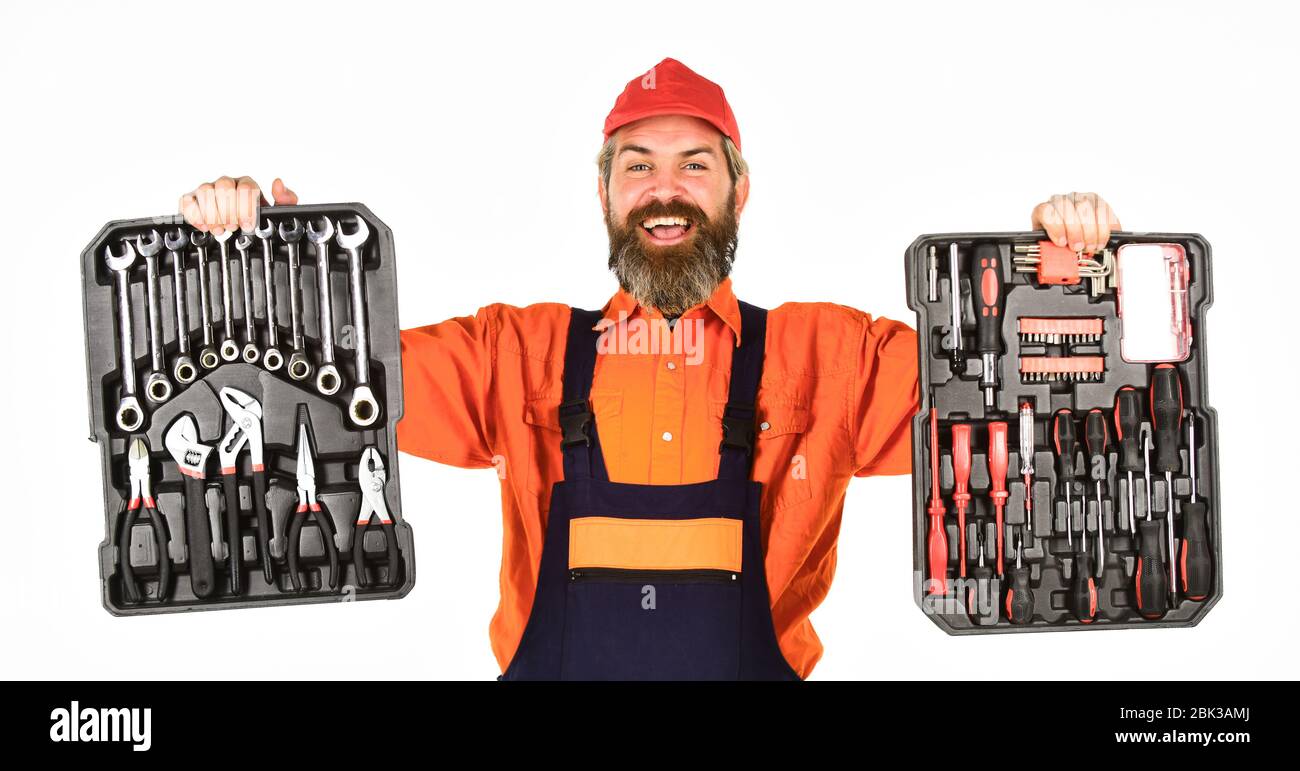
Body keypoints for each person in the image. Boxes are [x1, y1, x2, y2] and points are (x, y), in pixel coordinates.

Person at [179, 57, 1121, 680]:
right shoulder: (517, 353)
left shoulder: (828, 355)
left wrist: (1070, 266)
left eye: (694, 165)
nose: (663, 192)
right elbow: (326, 386)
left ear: (738, 187)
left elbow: (1020, 383)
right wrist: (264, 261)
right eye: (637, 166)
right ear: (603, 191)